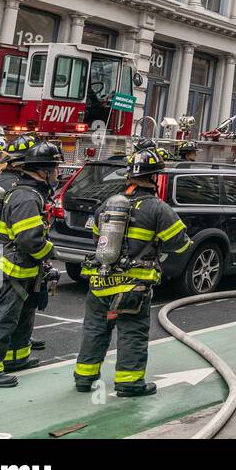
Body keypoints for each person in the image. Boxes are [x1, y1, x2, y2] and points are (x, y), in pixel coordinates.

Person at [74, 148, 191, 397]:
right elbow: (179, 244)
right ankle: (129, 383)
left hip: (100, 281)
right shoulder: (157, 208)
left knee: (95, 330)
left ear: (129, 176)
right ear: (154, 177)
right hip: (133, 286)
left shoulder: (108, 204)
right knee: (132, 333)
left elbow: (97, 237)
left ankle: (84, 379)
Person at [0, 140, 62, 388]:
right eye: (54, 168)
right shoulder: (26, 197)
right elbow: (30, 239)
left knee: (19, 318)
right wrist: (50, 252)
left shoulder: (31, 193)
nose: (57, 174)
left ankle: (16, 358)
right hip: (8, 271)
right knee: (0, 319)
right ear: (42, 170)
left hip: (18, 270)